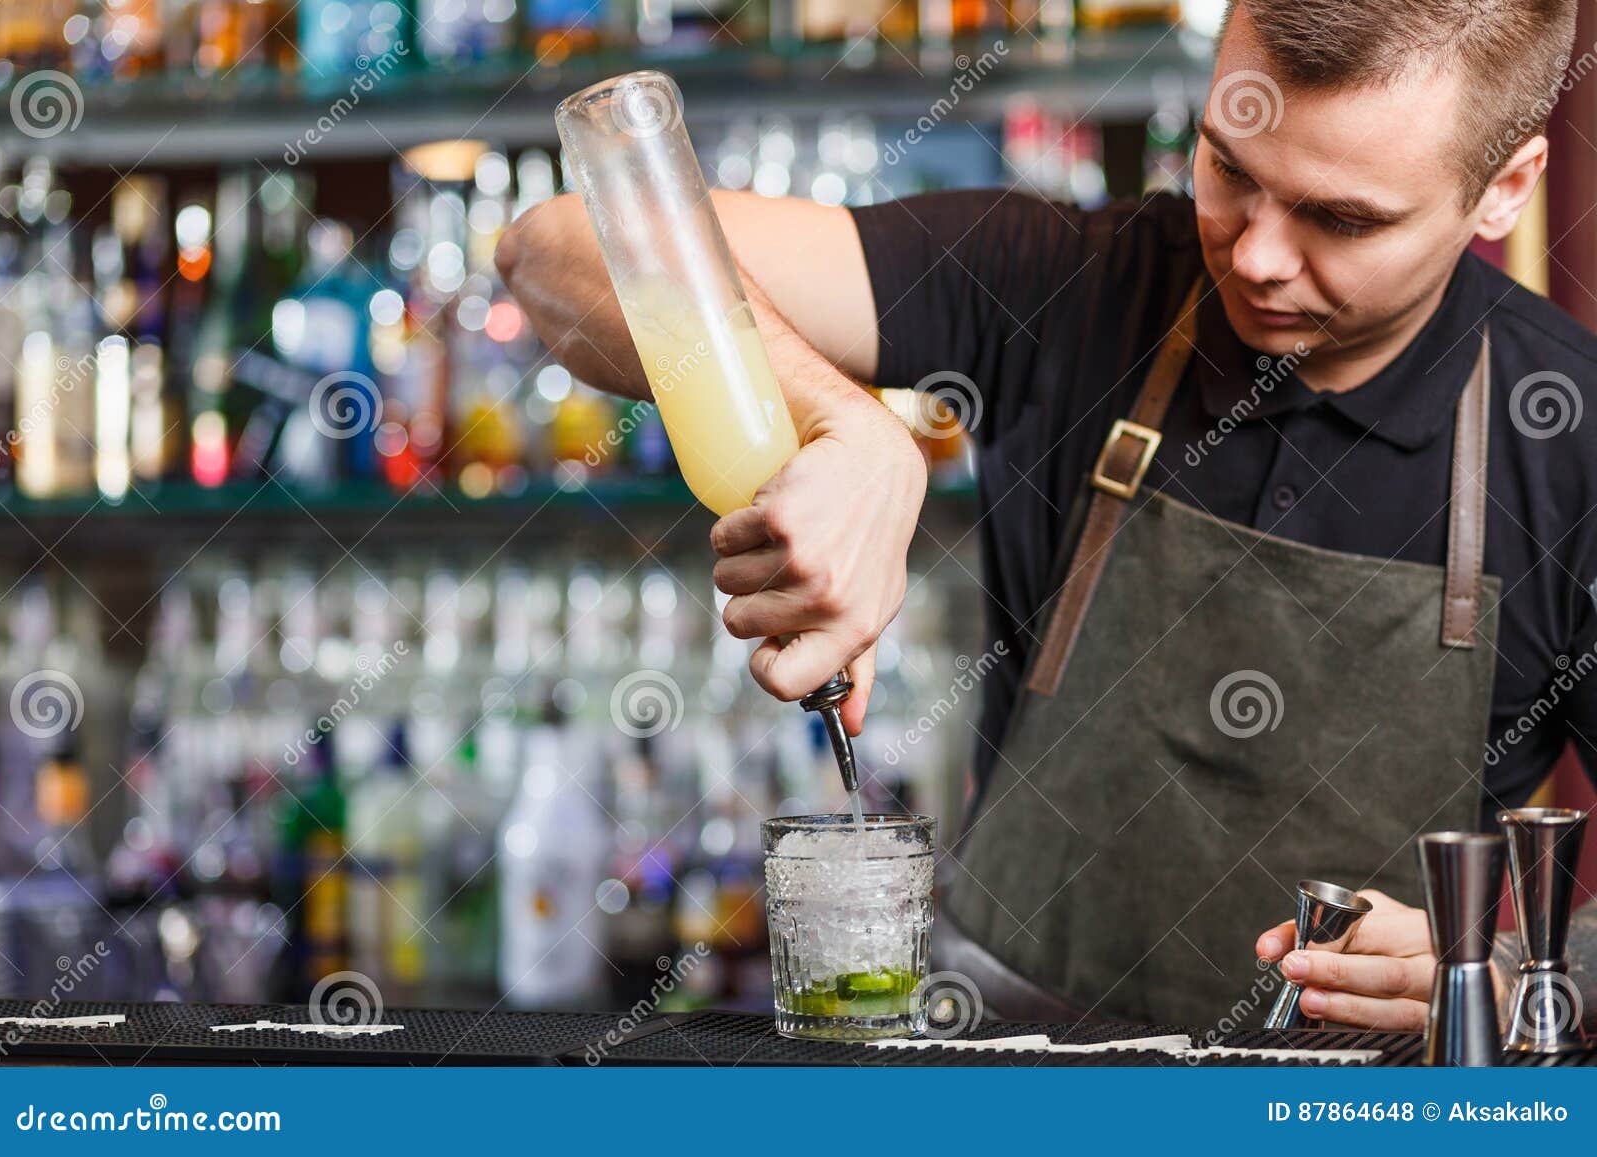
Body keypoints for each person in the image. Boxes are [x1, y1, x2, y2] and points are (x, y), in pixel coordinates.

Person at [499, 0, 1597, 1029]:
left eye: (1341, 219)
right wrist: (850, 426)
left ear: (1505, 188)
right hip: (998, 1057)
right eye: (1228, 166)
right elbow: (558, 247)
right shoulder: (1069, 281)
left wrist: (1521, 975)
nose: (1256, 255)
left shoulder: (1569, 441)